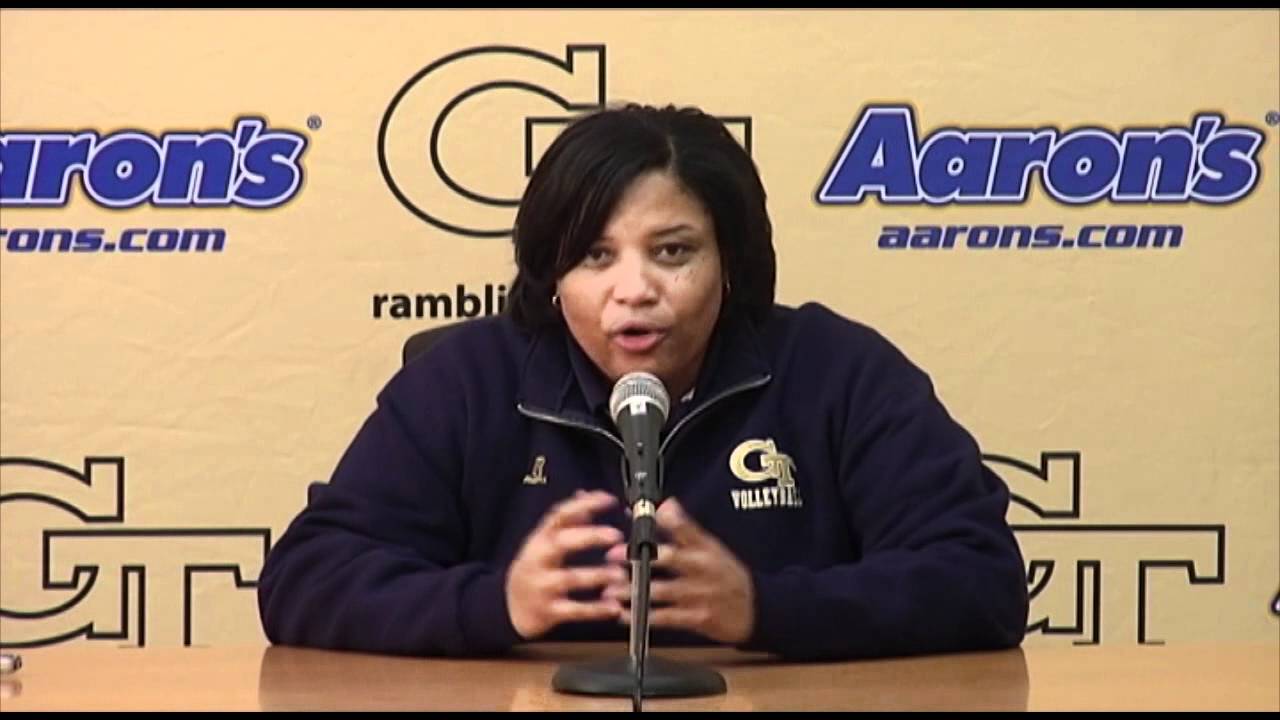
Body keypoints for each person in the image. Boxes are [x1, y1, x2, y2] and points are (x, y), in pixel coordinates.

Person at [257, 103, 1029, 661]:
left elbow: (980, 576)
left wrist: (765, 608)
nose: (633, 291)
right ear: (552, 275)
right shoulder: (465, 381)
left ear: (731, 265)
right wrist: (495, 605)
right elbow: (305, 577)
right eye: (595, 256)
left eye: (672, 252)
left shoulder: (839, 373)